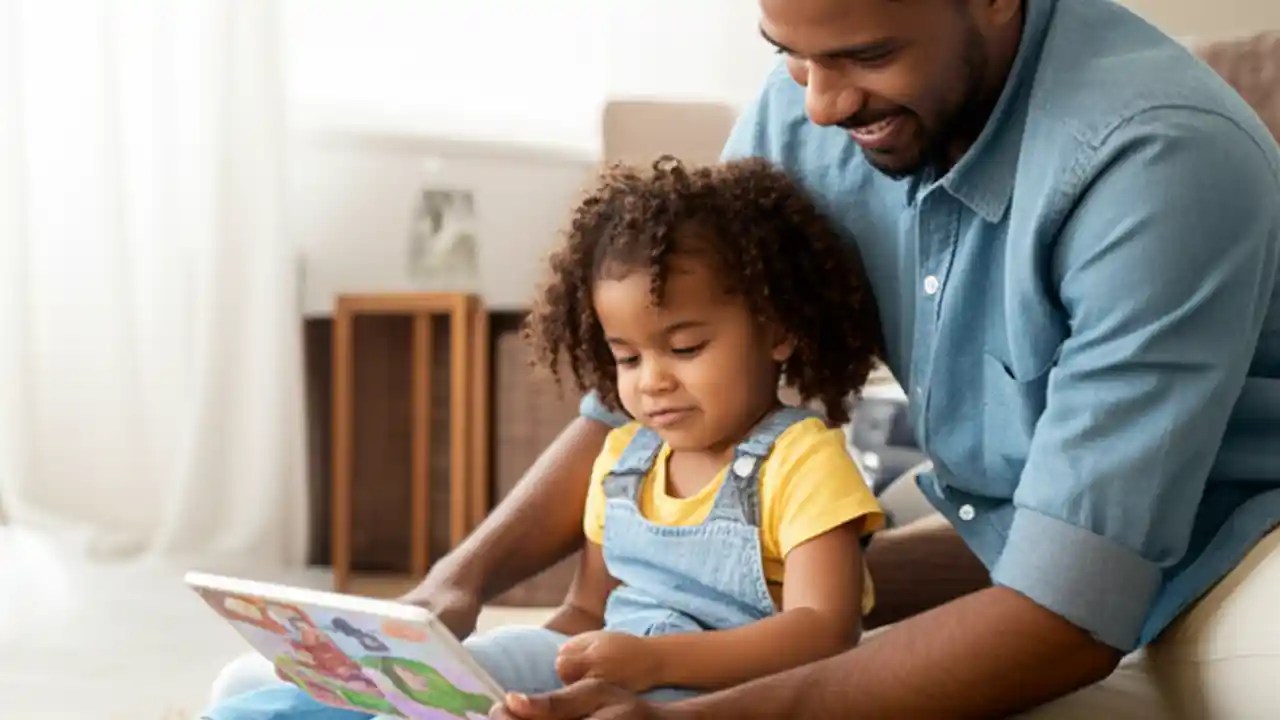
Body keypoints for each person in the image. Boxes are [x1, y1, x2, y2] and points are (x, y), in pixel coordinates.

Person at [415, 0, 1280, 718]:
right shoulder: (811, 101)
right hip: (1010, 521)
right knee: (748, 575)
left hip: (1235, 543)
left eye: (867, 54)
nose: (821, 106)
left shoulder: (1155, 160)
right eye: (792, 55)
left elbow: (1069, 610)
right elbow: (632, 399)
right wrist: (456, 585)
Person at [201, 157, 888, 719]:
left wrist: (653, 662)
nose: (652, 382)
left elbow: (825, 632)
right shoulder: (625, 459)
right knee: (246, 687)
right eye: (627, 357)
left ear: (777, 332)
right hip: (609, 668)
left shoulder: (802, 459)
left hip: (711, 696)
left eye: (686, 346)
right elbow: (584, 611)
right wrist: (509, 674)